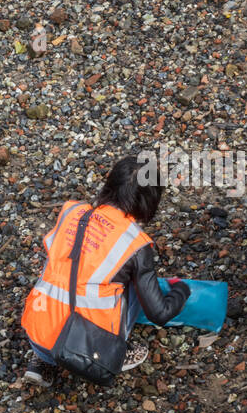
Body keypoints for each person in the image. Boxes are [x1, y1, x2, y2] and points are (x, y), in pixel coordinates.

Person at [21, 154, 190, 385]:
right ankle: (116, 352)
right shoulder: (134, 243)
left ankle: (41, 361)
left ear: (110, 185)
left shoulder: (71, 211)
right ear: (149, 201)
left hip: (36, 329)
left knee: (68, 266)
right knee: (132, 281)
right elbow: (159, 314)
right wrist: (181, 289)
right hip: (86, 348)